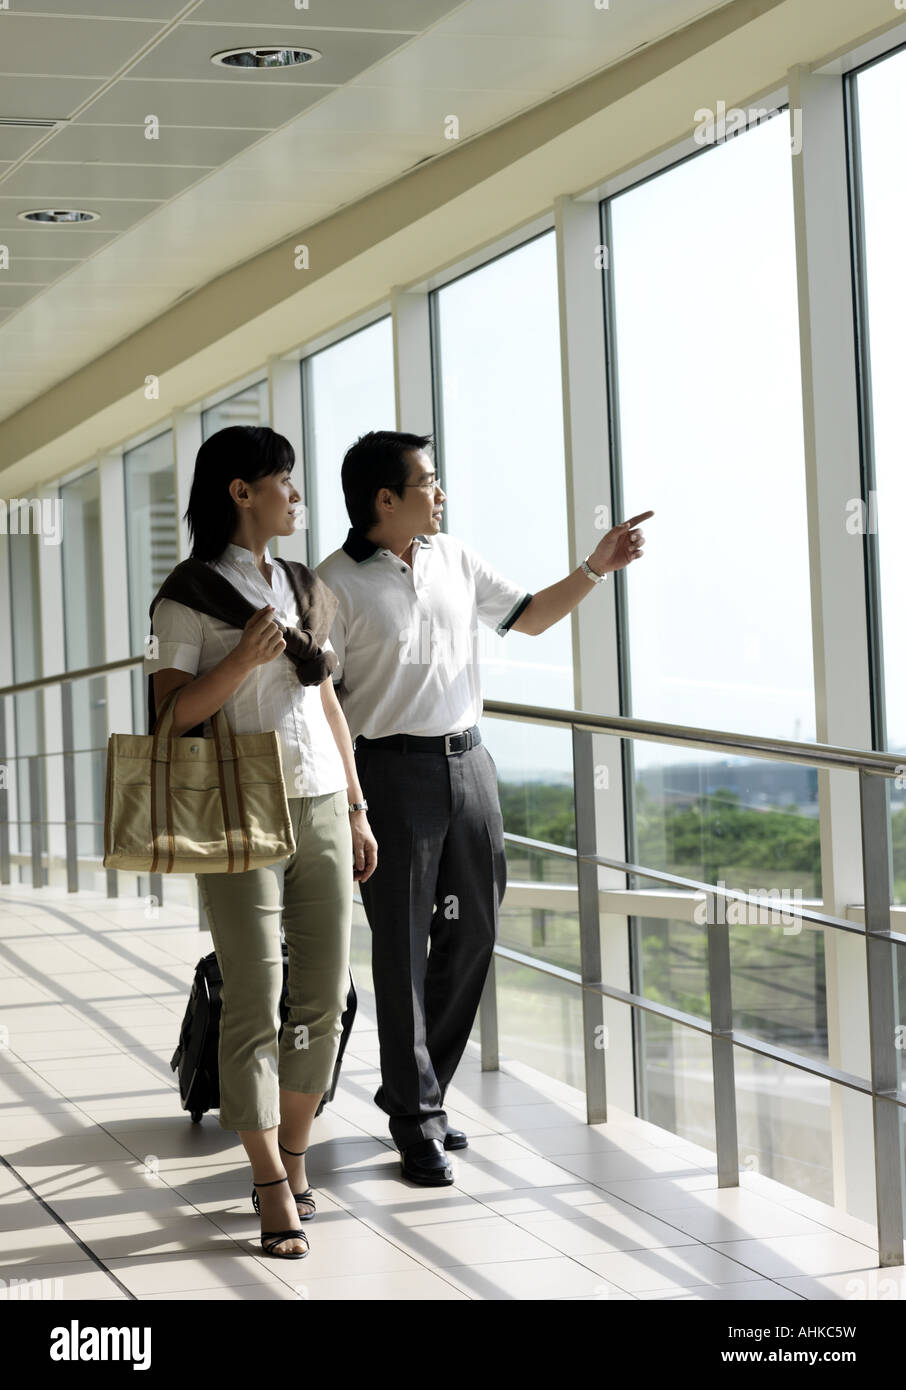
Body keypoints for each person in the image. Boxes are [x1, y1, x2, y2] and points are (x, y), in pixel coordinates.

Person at [316, 429, 651, 1185]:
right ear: (384, 499)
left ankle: (414, 1088)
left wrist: (596, 569)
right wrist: (351, 800)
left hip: (469, 768)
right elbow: (320, 702)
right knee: (401, 951)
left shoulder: (453, 556)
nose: (441, 493)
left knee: (473, 936)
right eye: (428, 481)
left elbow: (529, 615)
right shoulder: (331, 584)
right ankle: (416, 1120)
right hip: (389, 777)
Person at [143, 424, 377, 1258]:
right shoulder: (186, 594)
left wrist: (355, 805)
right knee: (254, 993)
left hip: (318, 801)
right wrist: (241, 660)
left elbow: (327, 705)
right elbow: (171, 717)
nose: (297, 495)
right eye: (284, 480)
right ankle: (270, 1183)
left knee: (323, 992)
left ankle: (295, 1150)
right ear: (241, 491)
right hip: (237, 808)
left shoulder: (310, 589)